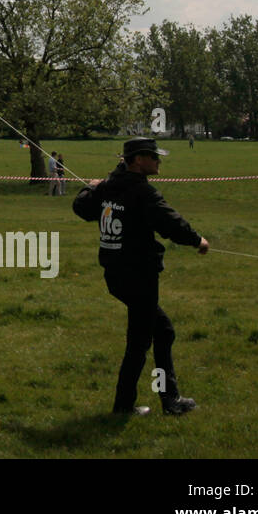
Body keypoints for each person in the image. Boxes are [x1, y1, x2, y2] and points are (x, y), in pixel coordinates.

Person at [72, 137, 208, 417]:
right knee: (141, 340)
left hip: (116, 276)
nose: (159, 161)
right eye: (154, 156)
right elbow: (169, 221)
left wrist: (92, 186)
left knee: (161, 332)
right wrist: (197, 241)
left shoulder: (110, 187)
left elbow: (81, 206)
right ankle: (147, 404)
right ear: (137, 160)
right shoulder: (141, 192)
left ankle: (162, 400)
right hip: (139, 276)